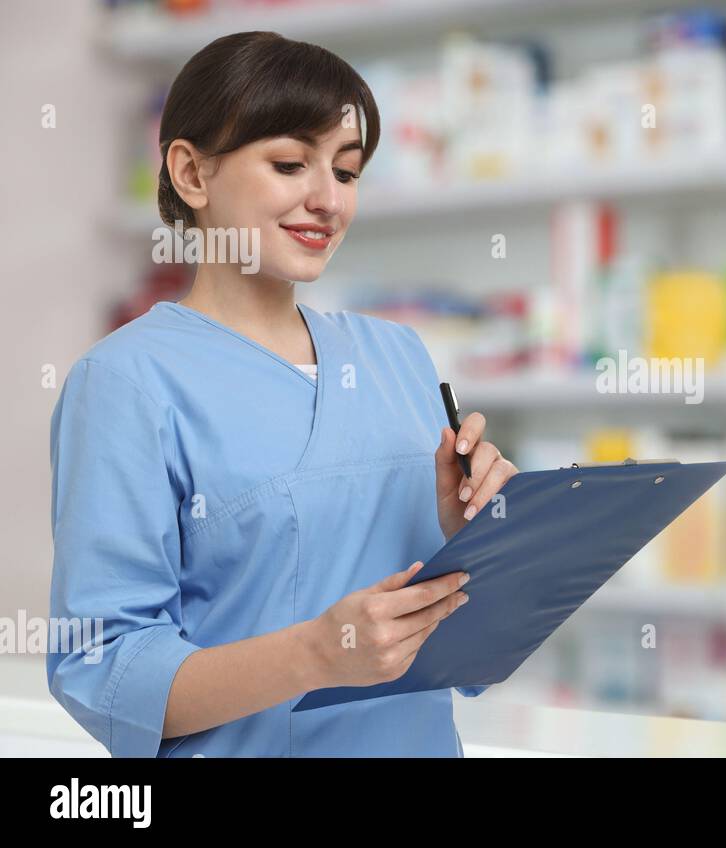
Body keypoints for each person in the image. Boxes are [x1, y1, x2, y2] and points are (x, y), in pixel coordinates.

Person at [47, 31, 517, 757]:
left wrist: (483, 537)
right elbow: (103, 668)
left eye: (350, 172)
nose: (327, 200)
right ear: (192, 173)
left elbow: (460, 640)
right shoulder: (127, 383)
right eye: (291, 163)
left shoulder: (398, 356)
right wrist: (316, 656)